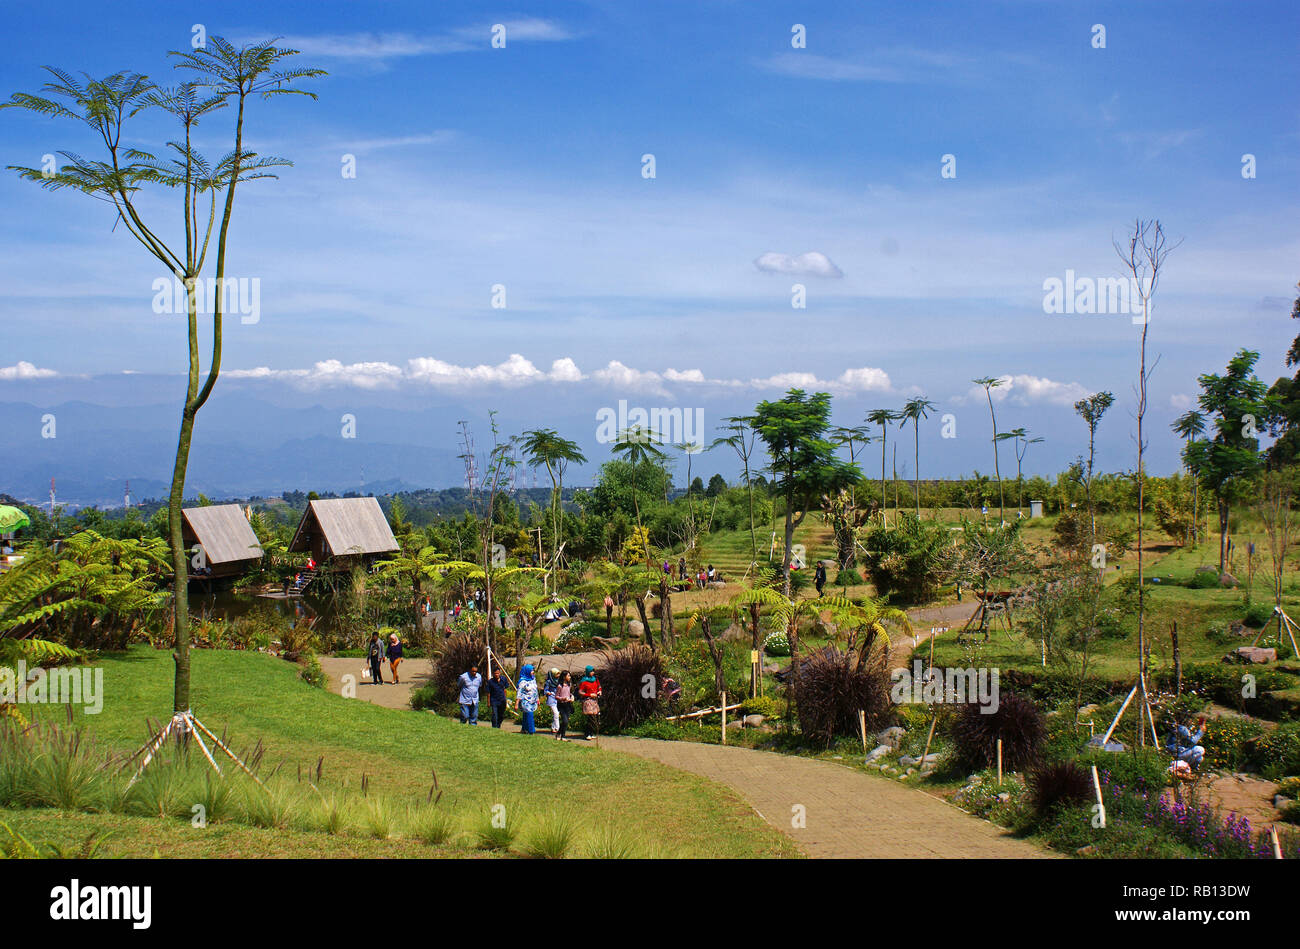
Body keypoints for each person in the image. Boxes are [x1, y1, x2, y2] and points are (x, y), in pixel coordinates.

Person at [577, 665, 602, 740]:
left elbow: (599, 686)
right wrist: (589, 694)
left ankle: (591, 733)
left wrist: (599, 691)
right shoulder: (584, 681)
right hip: (588, 700)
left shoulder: (595, 679)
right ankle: (587, 733)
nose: (592, 673)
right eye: (591, 671)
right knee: (590, 717)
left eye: (593, 671)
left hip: (594, 700)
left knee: (595, 717)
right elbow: (580, 692)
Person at [516, 664, 539, 734]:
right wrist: (516, 703)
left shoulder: (533, 679)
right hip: (525, 701)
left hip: (532, 700)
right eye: (531, 670)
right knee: (529, 714)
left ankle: (524, 729)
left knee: (526, 715)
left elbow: (535, 690)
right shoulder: (522, 681)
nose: (532, 672)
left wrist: (538, 699)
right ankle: (531, 730)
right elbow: (519, 692)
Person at [555, 671, 574, 741]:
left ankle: (561, 735)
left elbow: (570, 693)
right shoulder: (560, 686)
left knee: (566, 721)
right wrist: (563, 698)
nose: (570, 677)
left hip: (568, 704)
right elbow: (556, 696)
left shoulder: (569, 685)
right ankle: (561, 734)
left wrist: (572, 697)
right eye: (568, 676)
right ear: (564, 677)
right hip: (561, 705)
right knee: (565, 721)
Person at [543, 667, 561, 735]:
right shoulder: (549, 681)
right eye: (557, 674)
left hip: (558, 699)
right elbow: (545, 690)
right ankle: (558, 728)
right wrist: (548, 692)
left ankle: (553, 727)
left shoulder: (559, 681)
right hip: (551, 698)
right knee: (556, 713)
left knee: (556, 714)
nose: (558, 675)